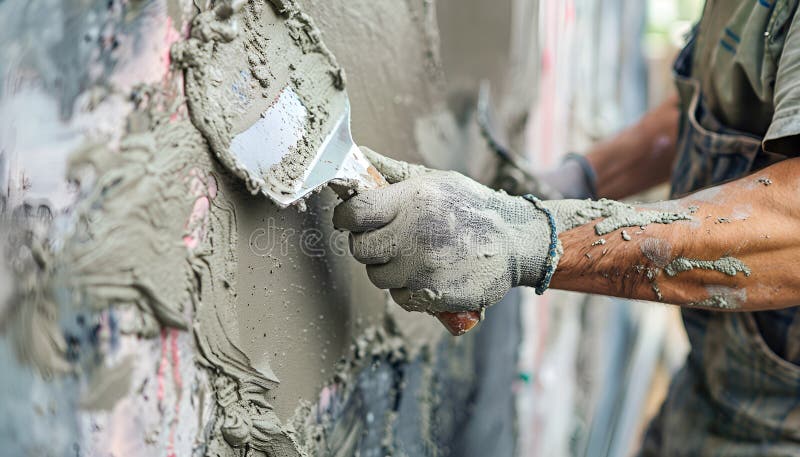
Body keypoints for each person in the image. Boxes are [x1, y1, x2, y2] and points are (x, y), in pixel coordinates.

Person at [333, 1, 800, 454]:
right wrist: (576, 180)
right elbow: (711, 108)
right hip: (708, 387)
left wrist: (525, 240)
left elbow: (791, 226)